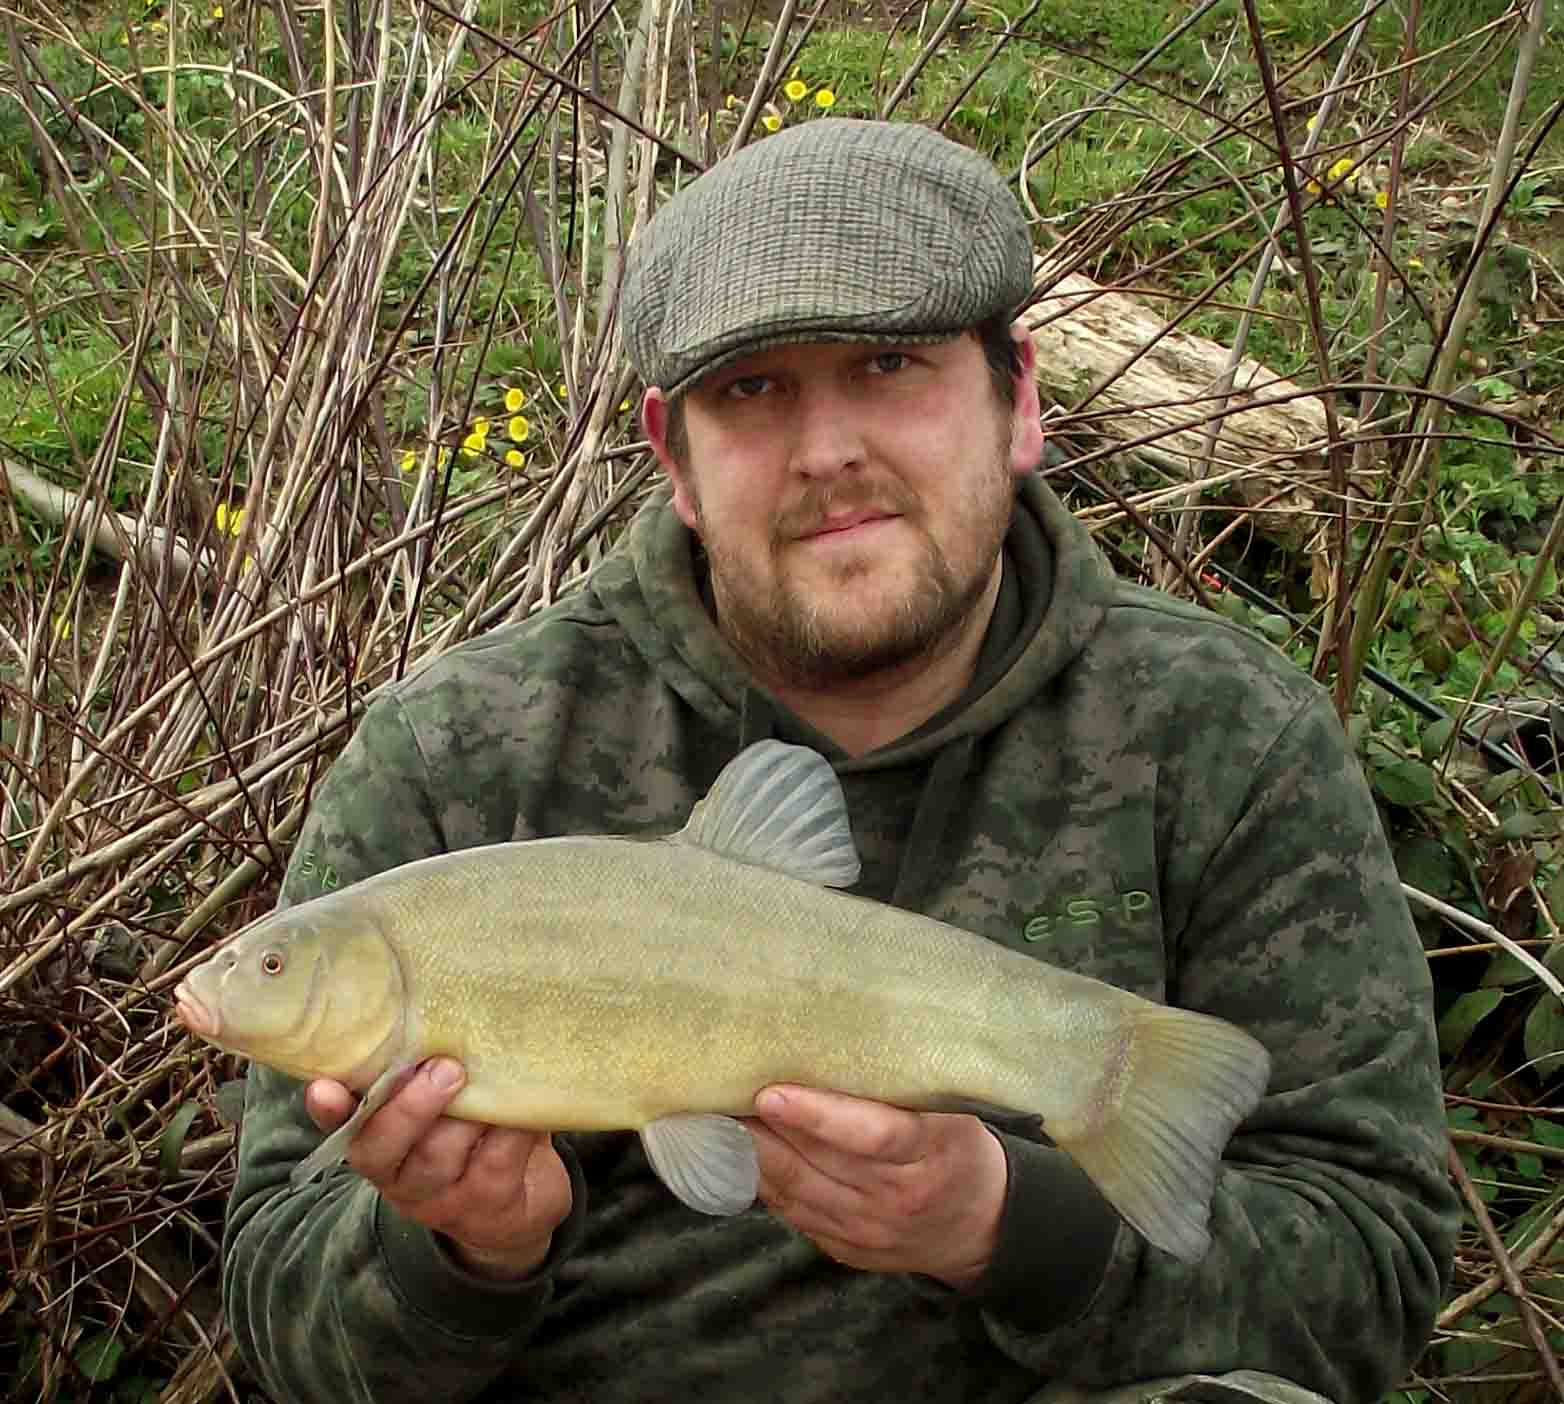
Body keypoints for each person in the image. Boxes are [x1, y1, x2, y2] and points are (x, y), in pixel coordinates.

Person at [221, 119, 1457, 1404]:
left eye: (888, 363)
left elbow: (1366, 1289)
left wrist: (1007, 1227)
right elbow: (279, 1309)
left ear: (1017, 396)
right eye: (751, 390)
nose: (827, 452)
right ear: (673, 458)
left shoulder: (1223, 732)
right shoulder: (459, 748)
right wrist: (465, 1247)